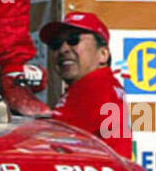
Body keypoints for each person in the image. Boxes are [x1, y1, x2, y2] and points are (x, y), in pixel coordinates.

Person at [38, 10, 132, 158]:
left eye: (74, 40)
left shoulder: (97, 86)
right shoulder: (98, 86)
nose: (63, 49)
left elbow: (44, 142)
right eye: (56, 45)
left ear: (103, 54)